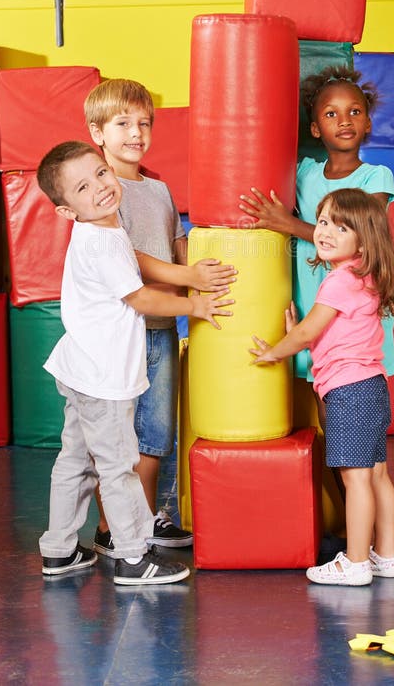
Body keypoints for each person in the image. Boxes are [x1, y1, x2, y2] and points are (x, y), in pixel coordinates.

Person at [37, 141, 234, 584]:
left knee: (75, 461)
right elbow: (140, 296)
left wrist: (186, 278)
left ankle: (59, 549)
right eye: (84, 188)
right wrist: (196, 306)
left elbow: (136, 261)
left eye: (101, 174)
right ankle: (132, 556)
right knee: (117, 465)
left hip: (81, 369)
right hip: (102, 378)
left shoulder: (105, 228)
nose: (102, 188)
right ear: (68, 211)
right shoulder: (100, 243)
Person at [84, 78, 231, 557]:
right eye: (123, 123)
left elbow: (172, 243)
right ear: (97, 133)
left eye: (144, 123)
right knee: (120, 439)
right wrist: (189, 274)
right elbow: (131, 258)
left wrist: (208, 249)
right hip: (121, 332)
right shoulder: (103, 192)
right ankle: (114, 528)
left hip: (161, 328)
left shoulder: (159, 189)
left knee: (154, 437)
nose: (136, 132)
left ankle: (142, 520)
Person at [250, 188, 394, 586]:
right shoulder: (365, 276)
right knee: (377, 475)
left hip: (349, 391)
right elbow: (328, 333)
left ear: (364, 240)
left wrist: (275, 352)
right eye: (322, 222)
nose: (325, 232)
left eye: (341, 226)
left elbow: (308, 332)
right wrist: (303, 334)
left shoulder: (339, 282)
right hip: (372, 386)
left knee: (355, 479)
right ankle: (387, 555)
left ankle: (354, 563)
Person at [238, 65, 394, 381]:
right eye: (331, 114)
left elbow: (363, 230)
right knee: (324, 385)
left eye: (354, 112)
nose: (344, 121)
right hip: (312, 294)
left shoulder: (375, 176)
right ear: (314, 129)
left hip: (352, 304)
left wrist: (289, 224)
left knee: (352, 381)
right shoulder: (305, 174)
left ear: (367, 123)